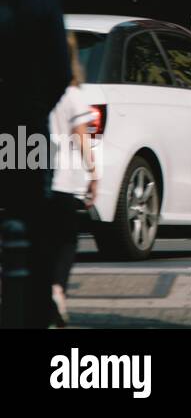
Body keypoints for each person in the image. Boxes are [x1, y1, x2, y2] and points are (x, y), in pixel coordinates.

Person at [0, 0, 71, 329]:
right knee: (35, 216)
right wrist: (34, 107)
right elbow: (61, 71)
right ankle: (36, 303)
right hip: (27, 127)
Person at [48, 33, 98, 327]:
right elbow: (81, 138)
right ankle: (57, 289)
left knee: (37, 241)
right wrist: (94, 174)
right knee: (65, 241)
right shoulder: (72, 95)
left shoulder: (29, 92)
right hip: (65, 183)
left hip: (33, 179)